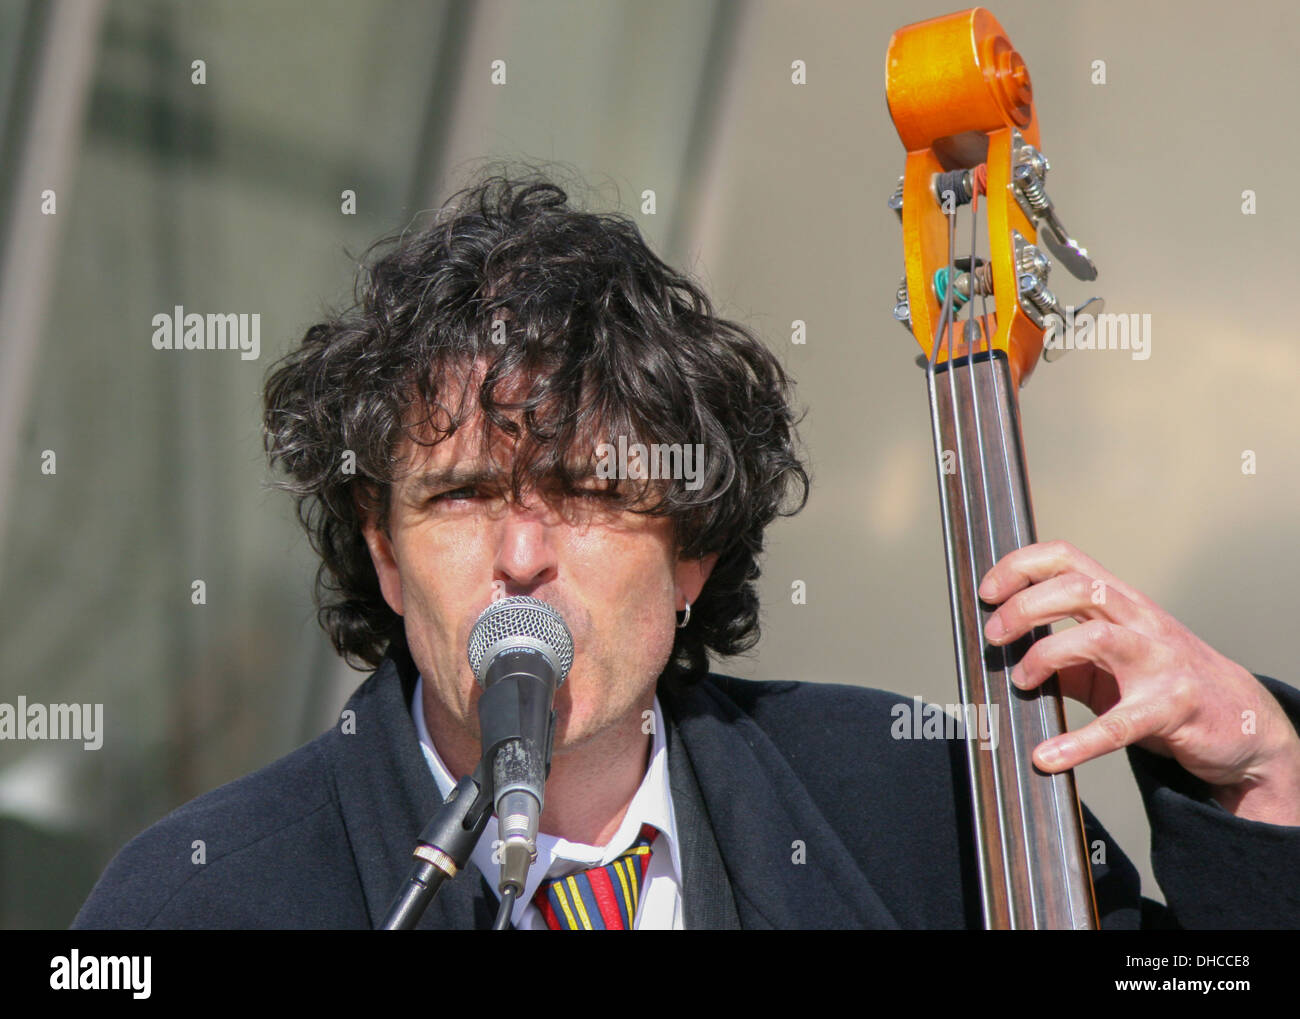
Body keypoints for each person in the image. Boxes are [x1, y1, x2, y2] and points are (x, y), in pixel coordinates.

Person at [73, 169, 1300, 930]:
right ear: (384, 557)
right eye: (454, 498)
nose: (518, 554)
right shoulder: (193, 898)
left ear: (694, 549)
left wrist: (1260, 780)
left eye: (588, 492)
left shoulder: (917, 798)